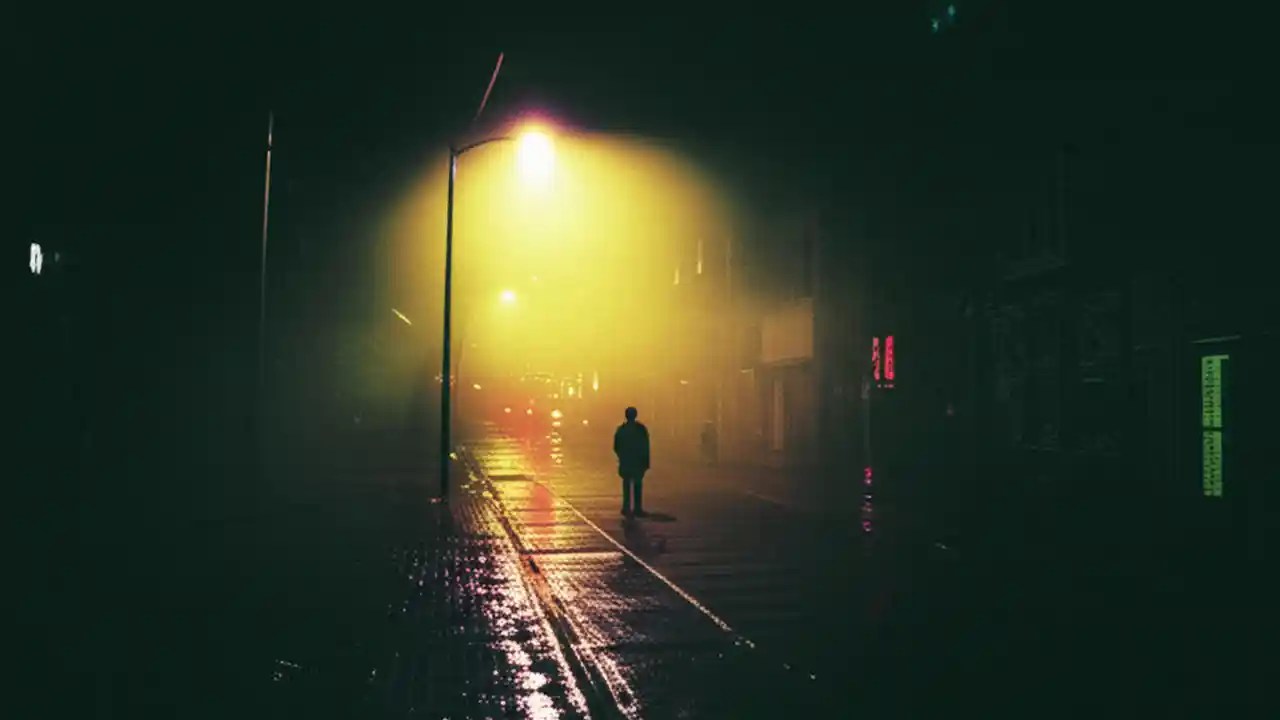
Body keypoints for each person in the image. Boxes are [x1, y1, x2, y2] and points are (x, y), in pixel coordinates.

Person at [613, 406, 650, 516]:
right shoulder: (641, 429)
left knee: (626, 485)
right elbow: (645, 446)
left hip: (626, 461)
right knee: (637, 485)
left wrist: (621, 456)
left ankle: (626, 507)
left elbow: (616, 446)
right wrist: (646, 461)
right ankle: (637, 508)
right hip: (637, 461)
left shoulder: (622, 430)